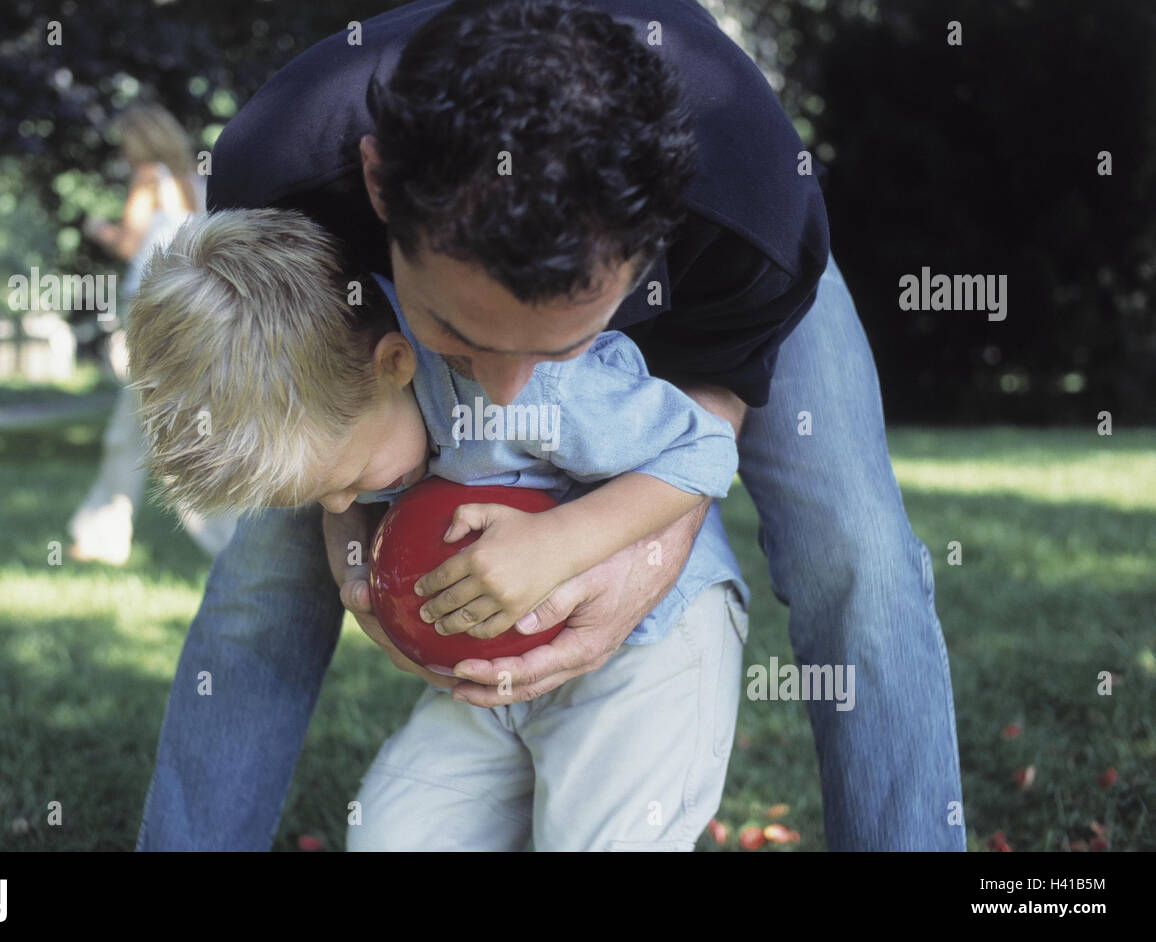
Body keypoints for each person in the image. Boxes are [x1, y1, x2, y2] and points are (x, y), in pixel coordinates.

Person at [137, 0, 964, 851]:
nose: (507, 392)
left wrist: (627, 548)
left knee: (856, 547)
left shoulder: (749, 209)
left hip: (715, 282)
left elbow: (705, 421)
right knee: (268, 568)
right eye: (458, 335)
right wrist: (355, 538)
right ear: (379, 186)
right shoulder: (279, 175)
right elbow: (317, 402)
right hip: (383, 350)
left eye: (557, 348)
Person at [126, 206, 750, 849]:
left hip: (645, 651)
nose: (342, 504)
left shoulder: (528, 386)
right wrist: (355, 564)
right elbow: (345, 496)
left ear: (395, 363)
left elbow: (702, 450)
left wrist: (560, 545)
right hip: (495, 685)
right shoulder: (351, 397)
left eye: (349, 478)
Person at [71, 103, 237, 565]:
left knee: (153, 424)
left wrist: (97, 228)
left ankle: (224, 538)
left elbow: (129, 242)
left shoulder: (148, 176)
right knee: (152, 420)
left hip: (149, 305)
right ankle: (103, 533)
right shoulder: (197, 183)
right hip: (190, 305)